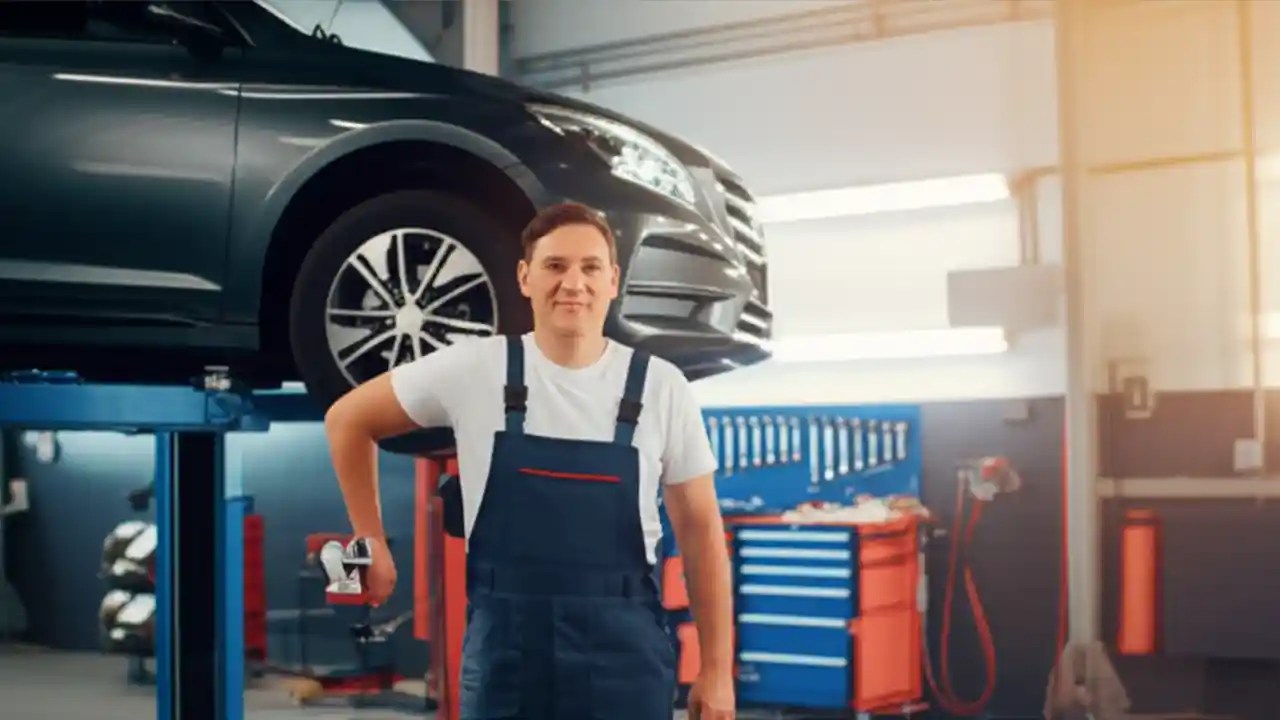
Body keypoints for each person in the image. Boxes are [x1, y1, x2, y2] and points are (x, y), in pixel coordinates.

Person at [322, 200, 736, 719]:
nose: (573, 283)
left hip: (624, 657)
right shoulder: (475, 368)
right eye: (555, 266)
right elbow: (347, 420)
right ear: (525, 276)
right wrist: (370, 541)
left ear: (613, 280)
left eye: (589, 267)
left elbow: (700, 531)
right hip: (507, 658)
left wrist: (717, 671)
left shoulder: (661, 387)